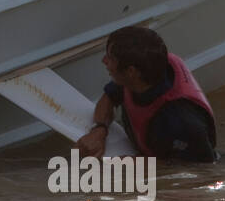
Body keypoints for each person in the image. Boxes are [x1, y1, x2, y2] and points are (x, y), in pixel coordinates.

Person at [76, 26, 217, 162]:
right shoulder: (142, 74)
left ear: (131, 71)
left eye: (110, 58)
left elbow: (202, 170)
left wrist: (141, 163)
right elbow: (109, 97)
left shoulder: (180, 122)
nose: (104, 61)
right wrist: (100, 130)